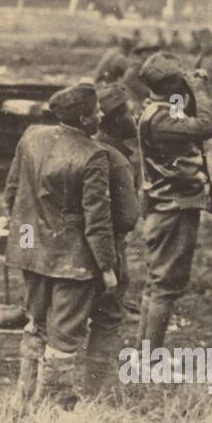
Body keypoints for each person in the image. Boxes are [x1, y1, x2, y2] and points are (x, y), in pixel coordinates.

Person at [4, 83, 119, 406]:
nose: (100, 115)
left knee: (36, 324)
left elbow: (11, 191)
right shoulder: (93, 154)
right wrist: (107, 267)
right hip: (72, 261)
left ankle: (23, 398)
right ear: (84, 119)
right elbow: (97, 219)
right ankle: (52, 412)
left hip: (30, 253)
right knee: (64, 337)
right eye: (96, 111)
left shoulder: (31, 136)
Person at [135, 52, 212, 349]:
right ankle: (149, 359)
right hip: (173, 208)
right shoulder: (162, 120)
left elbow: (185, 113)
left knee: (156, 283)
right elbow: (206, 126)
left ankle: (144, 353)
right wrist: (197, 88)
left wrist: (187, 87)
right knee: (165, 286)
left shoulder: (155, 109)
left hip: (166, 206)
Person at [88, 83, 141, 391]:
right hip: (109, 249)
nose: (135, 116)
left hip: (76, 250)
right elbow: (128, 217)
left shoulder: (89, 147)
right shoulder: (117, 158)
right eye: (130, 112)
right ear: (117, 120)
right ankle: (95, 389)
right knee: (107, 319)